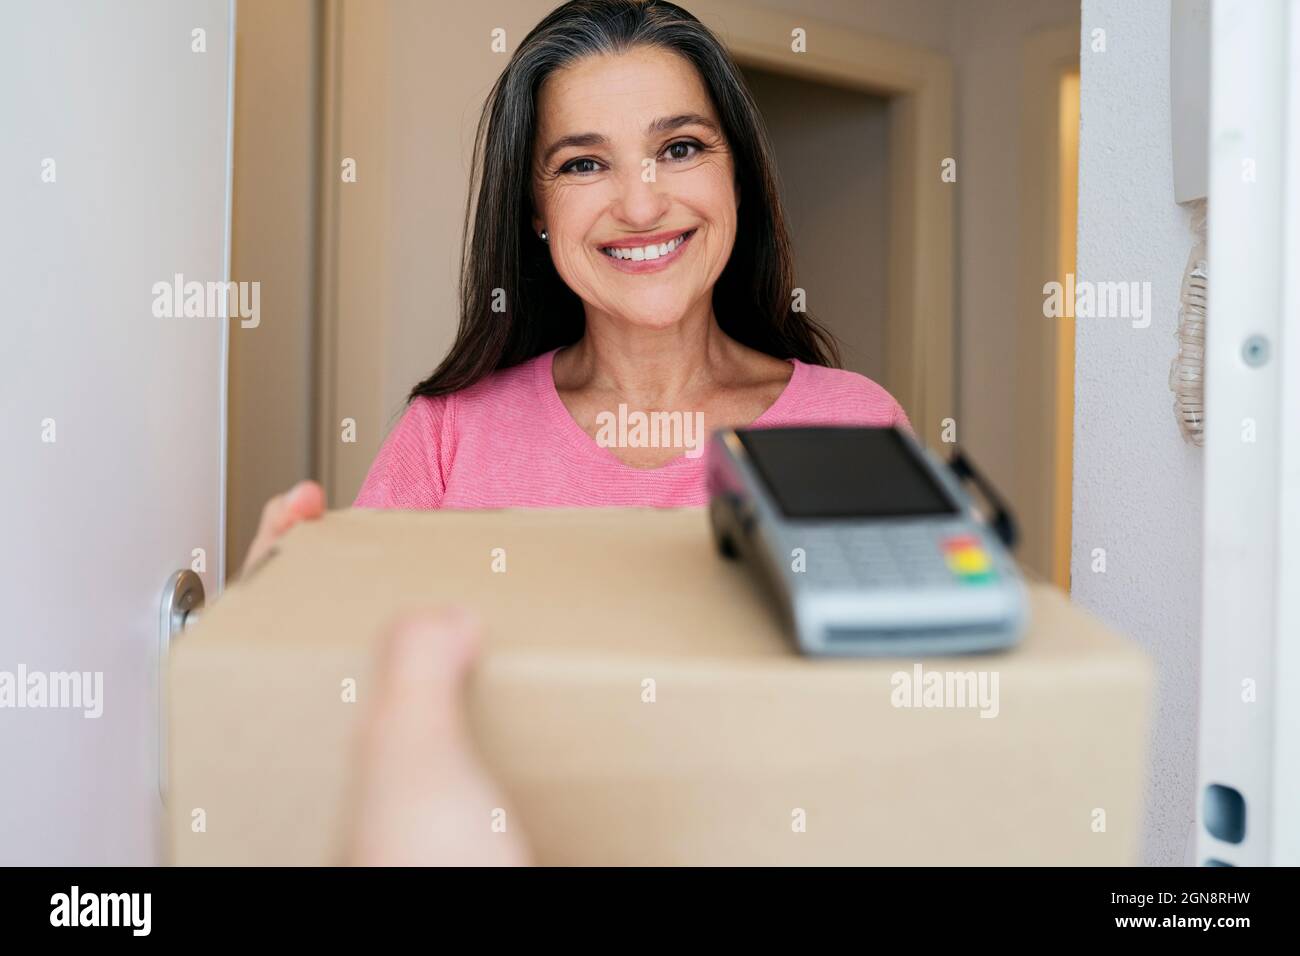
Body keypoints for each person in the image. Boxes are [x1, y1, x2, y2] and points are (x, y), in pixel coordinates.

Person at [245, 0, 910, 570]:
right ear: (536, 209)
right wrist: (275, 621)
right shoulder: (449, 433)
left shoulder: (856, 426)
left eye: (679, 148)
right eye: (583, 163)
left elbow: (904, 698)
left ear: (735, 174)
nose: (642, 207)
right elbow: (353, 683)